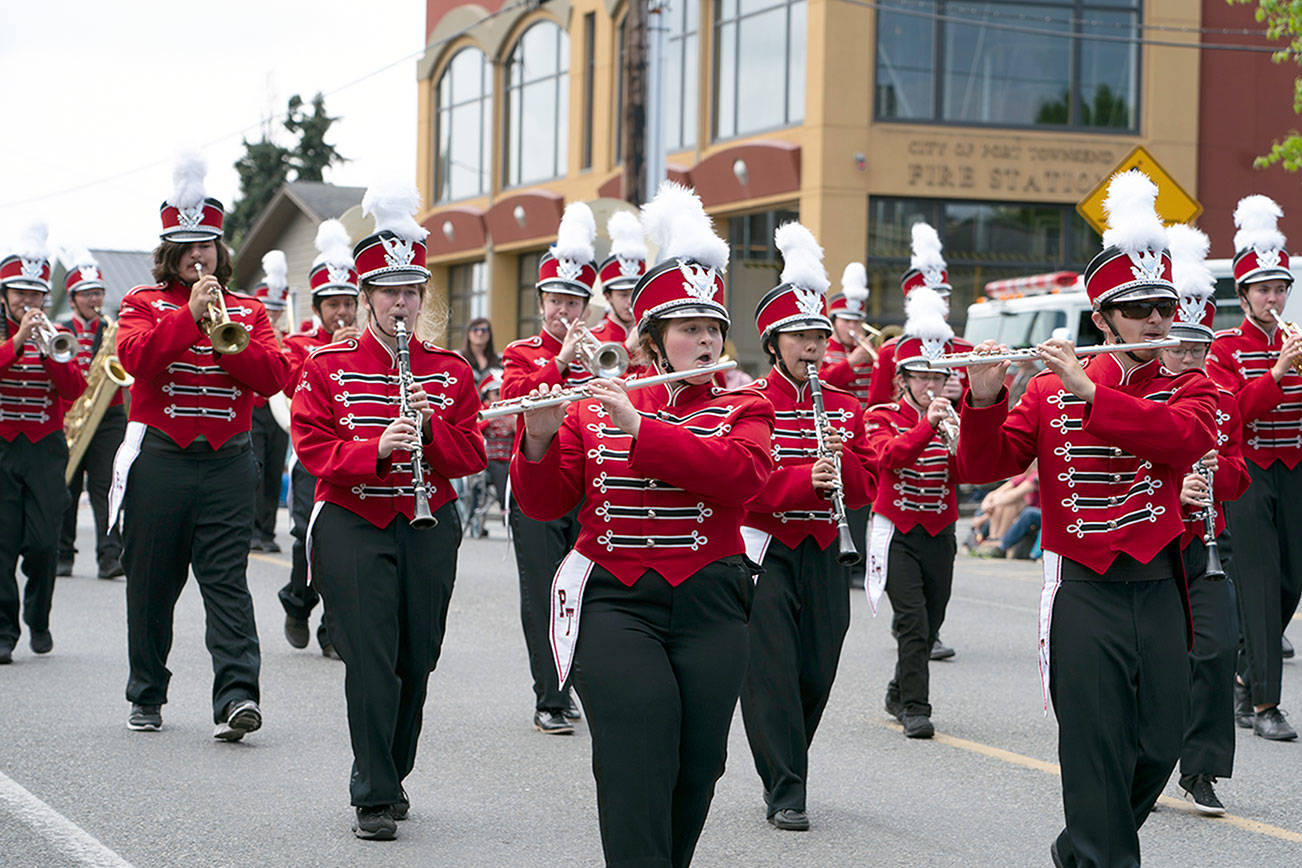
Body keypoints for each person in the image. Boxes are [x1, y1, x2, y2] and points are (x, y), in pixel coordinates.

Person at [955, 171, 1217, 868]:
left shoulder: (1189, 385)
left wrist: (1090, 392)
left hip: (1159, 582)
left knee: (1161, 741)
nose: (1156, 320)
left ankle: (1083, 844)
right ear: (1102, 319)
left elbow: (1182, 440)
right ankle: (1101, 853)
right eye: (1137, 310)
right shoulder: (1046, 390)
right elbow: (984, 466)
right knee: (1094, 744)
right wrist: (982, 399)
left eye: (1164, 306)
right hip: (1083, 588)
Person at [511, 182, 773, 867]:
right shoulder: (592, 405)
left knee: (699, 764)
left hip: (712, 597)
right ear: (654, 339)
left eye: (712, 328)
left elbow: (742, 477)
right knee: (636, 750)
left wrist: (641, 428)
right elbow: (544, 504)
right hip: (614, 597)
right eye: (688, 328)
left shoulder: (745, 405)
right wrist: (537, 437)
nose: (706, 339)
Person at [291, 181, 485, 840]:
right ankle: (372, 790)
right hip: (353, 520)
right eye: (388, 291)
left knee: (417, 657)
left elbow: (473, 453)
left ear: (422, 296)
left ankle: (393, 770)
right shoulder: (328, 366)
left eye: (411, 291)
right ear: (367, 295)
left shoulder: (451, 371)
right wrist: (374, 449)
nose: (401, 303)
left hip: (429, 522)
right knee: (371, 656)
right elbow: (313, 448)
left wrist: (431, 430)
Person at [110, 151, 291, 737]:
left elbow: (273, 376)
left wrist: (221, 335)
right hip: (159, 461)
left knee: (227, 583)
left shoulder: (249, 310)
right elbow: (135, 360)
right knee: (151, 583)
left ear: (219, 249)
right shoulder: (142, 303)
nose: (197, 254)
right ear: (170, 251)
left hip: (228, 463)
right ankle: (146, 693)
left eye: (206, 244)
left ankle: (237, 697)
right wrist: (188, 317)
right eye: (186, 246)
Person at [739, 222, 875, 831]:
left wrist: (842, 465)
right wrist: (802, 480)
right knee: (769, 673)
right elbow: (740, 483)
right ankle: (786, 787)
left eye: (819, 336)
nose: (813, 347)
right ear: (773, 343)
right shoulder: (748, 403)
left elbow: (870, 485)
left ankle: (788, 759)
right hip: (764, 550)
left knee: (816, 668)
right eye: (799, 336)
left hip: (826, 547)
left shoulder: (845, 408)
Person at [1161, 223, 1252, 816]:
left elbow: (1241, 473)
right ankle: (1144, 759)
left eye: (1199, 349)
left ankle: (1201, 768)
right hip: (1151, 542)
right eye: (1180, 348)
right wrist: (1176, 488)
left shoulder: (1221, 398)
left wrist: (1217, 475)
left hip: (1206, 544)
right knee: (1155, 662)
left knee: (1217, 650)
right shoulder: (1138, 394)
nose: (1191, 359)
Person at [1206, 194, 1302, 742]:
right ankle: (1265, 704)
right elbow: (1232, 412)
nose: (1274, 299)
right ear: (1243, 295)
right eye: (1264, 290)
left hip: (1294, 469)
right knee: (1261, 584)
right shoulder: (1224, 349)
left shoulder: (1295, 340)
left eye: (1280, 289)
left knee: (1291, 580)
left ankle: (1246, 669)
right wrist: (1279, 371)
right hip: (1248, 473)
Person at [500, 202, 598, 734]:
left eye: (573, 302)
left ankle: (578, 683)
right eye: (555, 300)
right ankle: (550, 697)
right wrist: (559, 363)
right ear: (541, 303)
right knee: (542, 593)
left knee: (588, 590)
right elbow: (515, 397)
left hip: (590, 485)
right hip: (537, 481)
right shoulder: (522, 352)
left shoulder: (601, 353)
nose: (563, 310)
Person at [863, 286, 960, 739]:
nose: (930, 387)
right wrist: (928, 426)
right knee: (913, 623)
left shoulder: (953, 418)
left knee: (932, 620)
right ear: (902, 380)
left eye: (937, 378)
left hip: (941, 531)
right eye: (920, 378)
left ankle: (898, 690)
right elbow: (889, 457)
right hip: (897, 532)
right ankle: (916, 708)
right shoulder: (881, 416)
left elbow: (972, 470)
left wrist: (965, 432)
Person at [0, 223, 86, 663]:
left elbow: (75, 388)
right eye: (20, 293)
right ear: (4, 295)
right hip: (2, 449)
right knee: (1, 546)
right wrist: (17, 342)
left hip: (45, 448)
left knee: (43, 542)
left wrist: (49, 352)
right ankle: (3, 631)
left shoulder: (58, 335)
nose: (28, 303)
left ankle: (38, 616)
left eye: (35, 295)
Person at [277, 219, 361, 657]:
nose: (342, 312)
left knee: (345, 546)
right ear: (318, 306)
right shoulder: (299, 343)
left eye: (349, 303)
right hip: (311, 457)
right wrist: (332, 352)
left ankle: (333, 630)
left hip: (356, 455)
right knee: (307, 541)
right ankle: (297, 602)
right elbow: (291, 386)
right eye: (333, 304)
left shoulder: (368, 343)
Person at [58, 250, 126, 580]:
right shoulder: (60, 330)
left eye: (98, 292)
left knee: (106, 488)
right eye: (86, 294)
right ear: (73, 299)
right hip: (70, 417)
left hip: (108, 417)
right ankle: (62, 554)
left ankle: (110, 557)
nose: (94, 299)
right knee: (67, 486)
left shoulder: (114, 328)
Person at [820, 263, 875, 592]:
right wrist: (851, 364)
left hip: (862, 433)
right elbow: (822, 384)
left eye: (857, 321)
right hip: (831, 431)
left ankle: (860, 563)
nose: (853, 327)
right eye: (847, 321)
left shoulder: (867, 352)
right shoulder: (825, 351)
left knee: (860, 500)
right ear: (834, 321)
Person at [248, 250, 292, 553]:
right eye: (268, 309)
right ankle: (251, 530)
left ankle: (267, 531)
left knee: (275, 469)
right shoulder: (249, 334)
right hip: (255, 407)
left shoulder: (290, 337)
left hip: (281, 409)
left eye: (277, 309)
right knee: (256, 469)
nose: (273, 315)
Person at [590, 209, 644, 346]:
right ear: (608, 296)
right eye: (623, 295)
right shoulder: (592, 339)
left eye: (635, 294)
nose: (631, 302)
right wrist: (628, 348)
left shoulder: (652, 336)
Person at [472, 370, 511, 537]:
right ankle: (504, 507)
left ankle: (510, 510)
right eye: (496, 392)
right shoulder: (483, 411)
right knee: (501, 472)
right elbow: (474, 429)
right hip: (490, 461)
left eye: (501, 392)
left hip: (508, 459)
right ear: (486, 395)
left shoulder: (509, 409)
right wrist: (490, 419)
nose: (499, 396)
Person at [459, 316, 499, 385]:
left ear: (489, 334)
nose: (479, 333)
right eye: (475, 329)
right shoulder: (459, 358)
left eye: (484, 330)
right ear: (468, 334)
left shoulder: (499, 360)